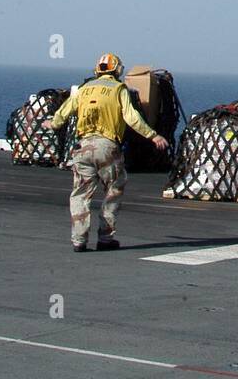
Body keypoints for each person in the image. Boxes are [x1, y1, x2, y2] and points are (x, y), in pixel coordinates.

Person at [47, 53, 168, 252]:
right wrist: (153, 135)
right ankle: (105, 238)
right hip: (107, 147)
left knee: (80, 195)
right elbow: (132, 118)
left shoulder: (83, 89)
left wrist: (52, 124)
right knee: (113, 190)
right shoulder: (119, 89)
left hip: (82, 148)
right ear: (117, 70)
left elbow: (63, 113)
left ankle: (79, 239)